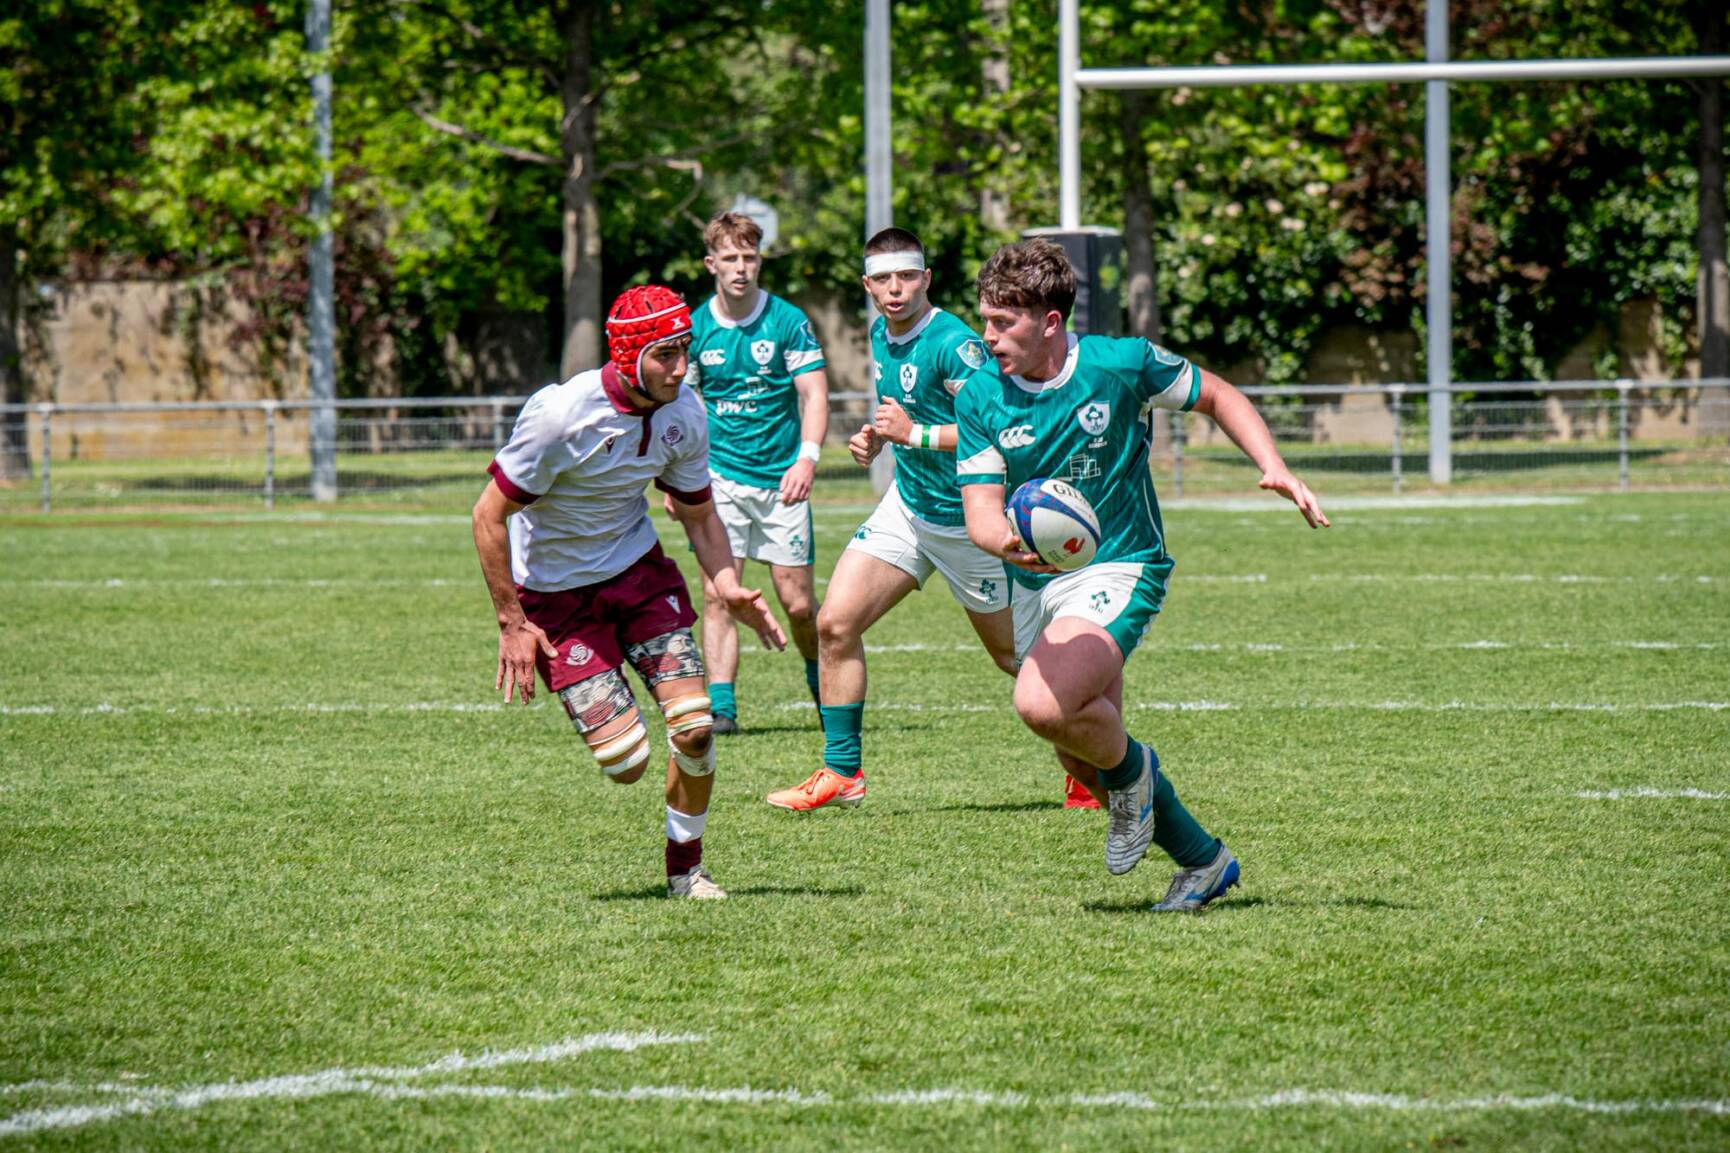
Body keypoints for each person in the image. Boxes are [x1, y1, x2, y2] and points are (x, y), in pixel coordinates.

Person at [954, 239, 1329, 912]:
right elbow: (980, 509)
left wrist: (1273, 463)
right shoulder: (982, 394)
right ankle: (1204, 861)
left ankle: (1137, 776)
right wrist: (1005, 542)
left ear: (1050, 322)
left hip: (1123, 563)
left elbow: (1217, 394)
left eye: (1002, 323)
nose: (987, 336)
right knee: (1078, 753)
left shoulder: (1120, 364)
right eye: (985, 319)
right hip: (1037, 580)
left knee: (1041, 705)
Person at [472, 284, 787, 900]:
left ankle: (686, 871)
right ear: (626, 355)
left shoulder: (684, 412)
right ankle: (609, 709)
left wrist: (727, 584)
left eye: (685, 350)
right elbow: (488, 516)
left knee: (695, 727)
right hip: (557, 598)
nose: (681, 368)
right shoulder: (562, 416)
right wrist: (511, 621)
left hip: (638, 575)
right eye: (665, 355)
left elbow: (699, 514)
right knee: (626, 763)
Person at [764, 227, 1019, 812]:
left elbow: (999, 433)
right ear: (868, 285)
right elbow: (905, 416)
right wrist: (878, 437)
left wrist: (914, 434)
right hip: (908, 507)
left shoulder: (955, 345)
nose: (895, 289)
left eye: (906, 276)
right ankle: (842, 773)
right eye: (883, 279)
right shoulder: (881, 332)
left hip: (968, 519)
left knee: (1015, 659)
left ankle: (1093, 760)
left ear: (926, 278)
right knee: (835, 624)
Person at [678, 211, 830, 736]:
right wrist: (680, 477)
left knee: (798, 604)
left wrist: (806, 458)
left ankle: (822, 680)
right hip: (719, 478)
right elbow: (685, 408)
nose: (741, 268)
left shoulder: (787, 321)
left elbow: (814, 394)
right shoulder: (695, 328)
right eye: (730, 258)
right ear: (711, 264)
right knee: (719, 592)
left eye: (749, 257)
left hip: (781, 481)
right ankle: (722, 708)